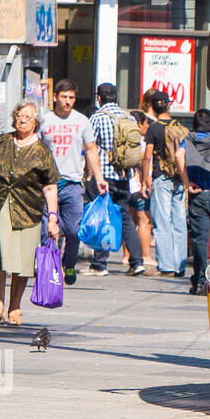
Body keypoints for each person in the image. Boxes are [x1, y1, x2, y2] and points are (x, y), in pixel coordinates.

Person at [0, 102, 60, 325]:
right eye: (19, 116)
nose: (22, 120)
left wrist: (53, 218)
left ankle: (15, 308)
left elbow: (49, 187)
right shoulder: (0, 143)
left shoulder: (42, 152)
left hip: (26, 212)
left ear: (35, 122)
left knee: (22, 262)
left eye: (27, 117)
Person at [40, 79, 108, 285]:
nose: (68, 101)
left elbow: (90, 149)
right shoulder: (44, 120)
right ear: (55, 97)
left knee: (72, 230)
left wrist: (99, 177)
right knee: (48, 230)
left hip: (72, 184)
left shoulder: (82, 121)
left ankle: (69, 263)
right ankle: (48, 270)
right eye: (64, 97)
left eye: (71, 98)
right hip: (48, 184)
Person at [86, 83, 146, 276]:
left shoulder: (97, 118)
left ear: (99, 98)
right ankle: (136, 262)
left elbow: (90, 147)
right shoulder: (127, 117)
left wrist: (90, 174)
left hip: (102, 176)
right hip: (123, 175)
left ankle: (100, 263)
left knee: (103, 216)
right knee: (125, 217)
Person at [141, 92, 188, 278]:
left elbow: (147, 156)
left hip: (161, 177)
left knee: (161, 222)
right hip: (180, 178)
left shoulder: (154, 129)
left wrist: (146, 179)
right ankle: (180, 264)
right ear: (169, 105)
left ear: (152, 107)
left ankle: (166, 266)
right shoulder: (182, 128)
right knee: (179, 221)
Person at [182, 108, 210, 294]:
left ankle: (199, 281)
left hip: (197, 193)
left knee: (200, 239)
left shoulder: (189, 139)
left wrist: (186, 182)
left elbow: (177, 155)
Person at [128, 109, 156, 267]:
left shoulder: (127, 140)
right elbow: (144, 162)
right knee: (144, 221)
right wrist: (146, 182)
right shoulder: (143, 143)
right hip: (140, 186)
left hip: (127, 185)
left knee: (129, 222)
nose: (147, 127)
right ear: (139, 124)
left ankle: (127, 256)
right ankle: (145, 255)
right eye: (146, 123)